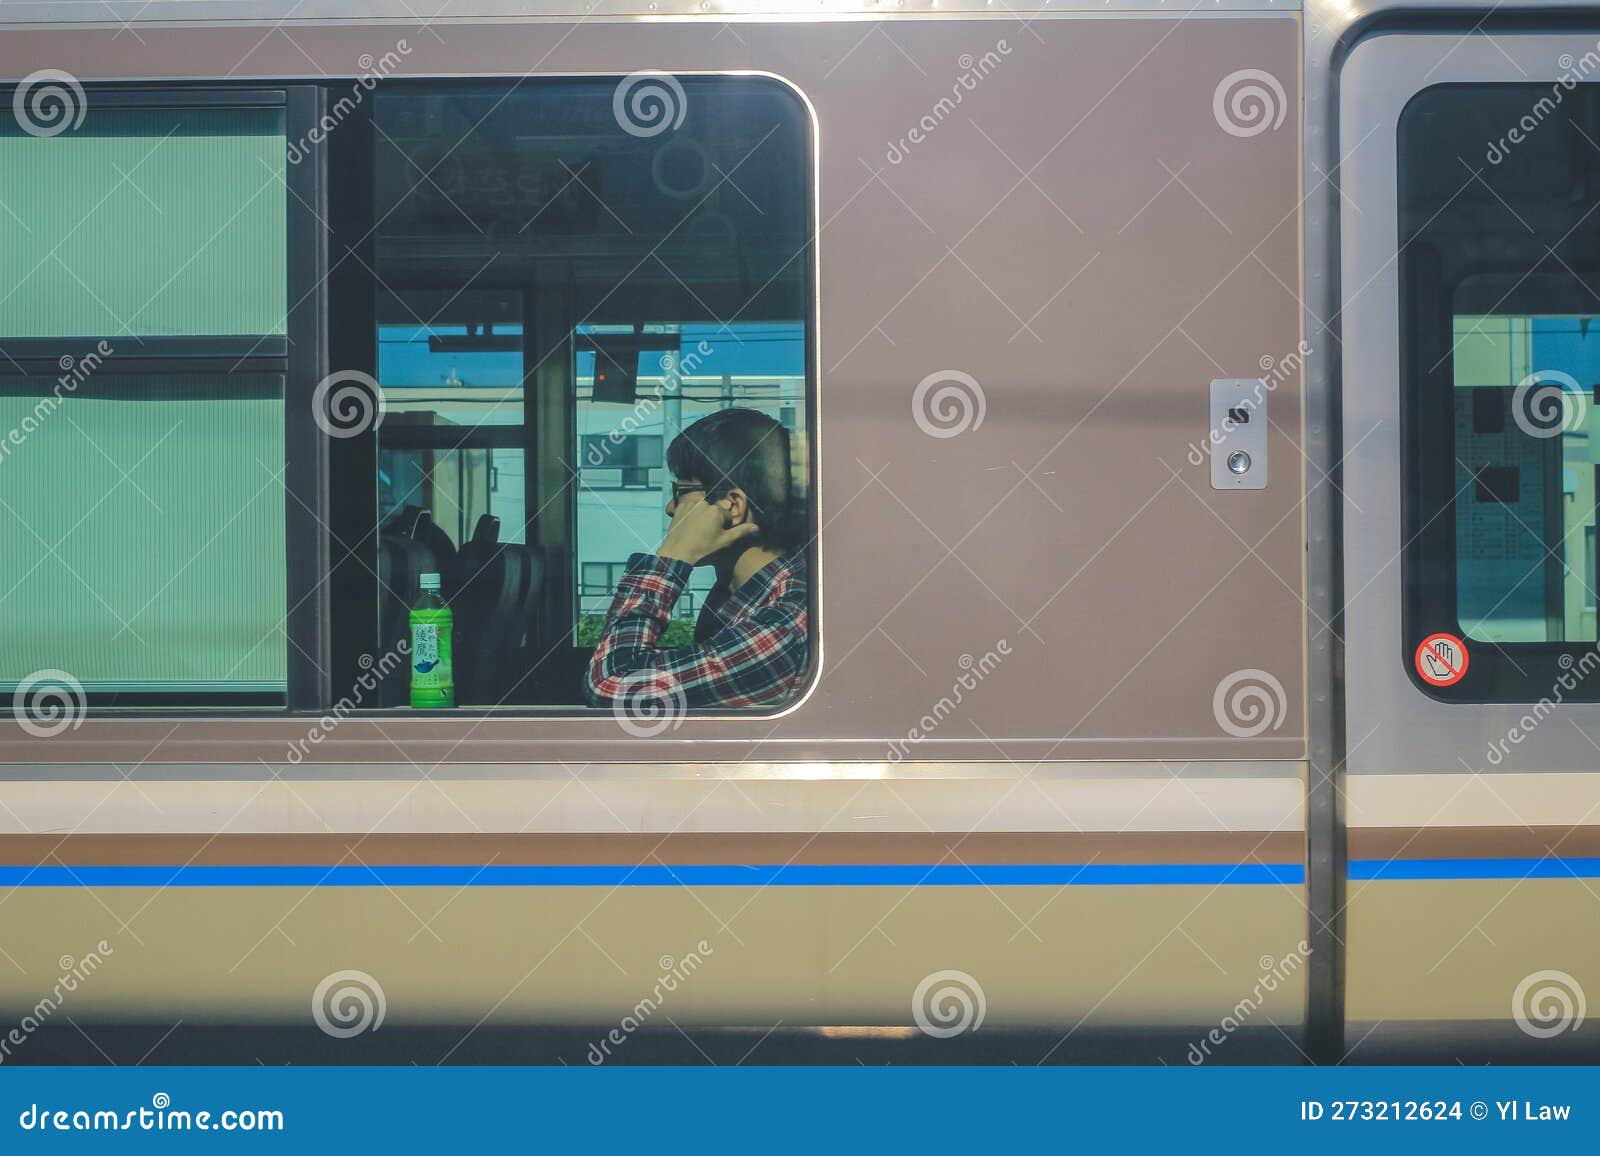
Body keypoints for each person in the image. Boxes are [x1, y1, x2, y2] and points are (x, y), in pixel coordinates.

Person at [585, 408, 808, 710]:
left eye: (681, 492)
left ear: (732, 506)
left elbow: (612, 683)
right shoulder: (742, 598)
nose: (669, 508)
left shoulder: (787, 624)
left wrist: (672, 557)